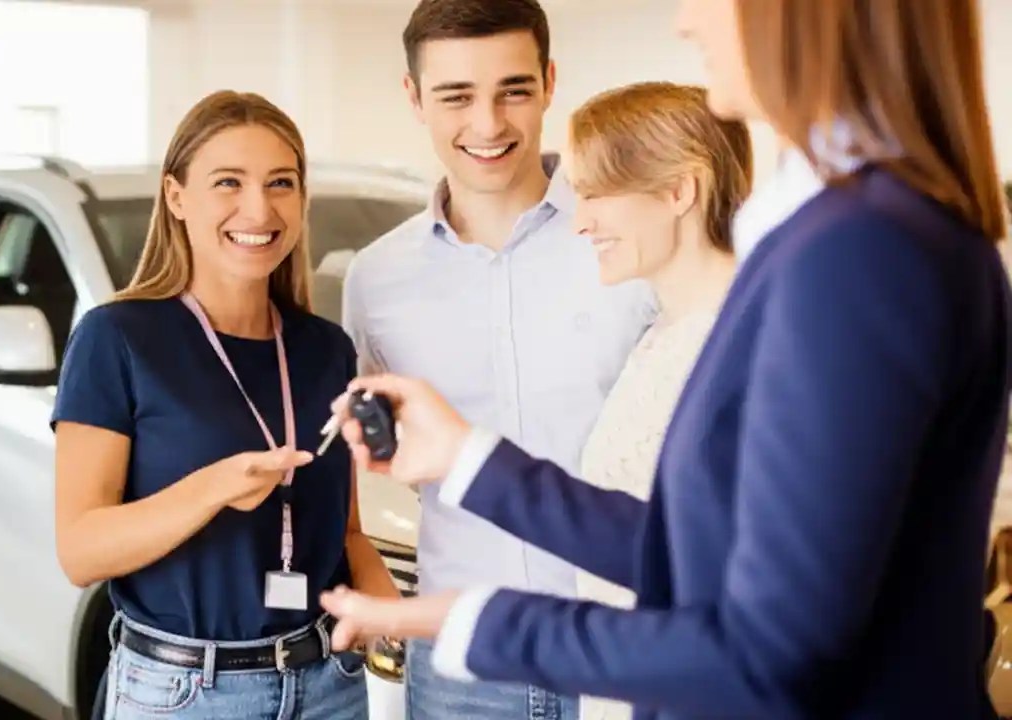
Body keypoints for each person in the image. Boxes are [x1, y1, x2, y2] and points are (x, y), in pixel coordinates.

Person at [322, 0, 1012, 717]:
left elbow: (771, 647)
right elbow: (704, 547)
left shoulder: (856, 250)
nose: (687, 20)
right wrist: (465, 460)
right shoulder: (849, 230)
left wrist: (482, 623)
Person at [340, 1, 655, 718]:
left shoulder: (625, 243)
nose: (488, 125)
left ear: (549, 83)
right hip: (462, 668)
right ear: (415, 99)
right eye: (456, 96)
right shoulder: (376, 279)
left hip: (622, 652)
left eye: (513, 90)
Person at [51, 90, 399, 720]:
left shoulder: (325, 349)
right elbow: (80, 550)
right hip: (186, 694)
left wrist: (398, 624)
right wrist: (213, 489)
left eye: (281, 183)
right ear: (177, 196)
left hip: (330, 684)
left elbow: (345, 534)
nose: (258, 208)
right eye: (228, 183)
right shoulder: (118, 339)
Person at [561, 81, 751, 720]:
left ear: (679, 190)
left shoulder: (739, 353)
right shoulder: (661, 334)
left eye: (597, 195)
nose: (581, 221)